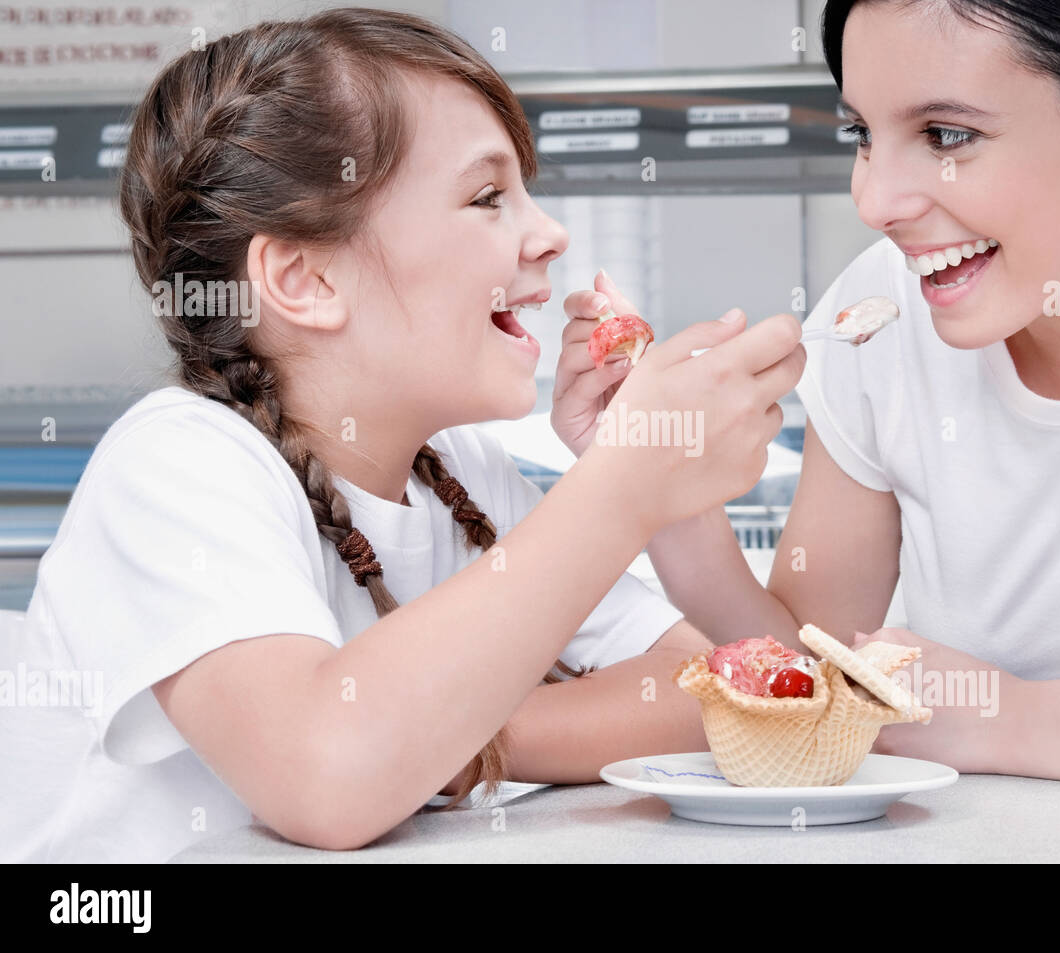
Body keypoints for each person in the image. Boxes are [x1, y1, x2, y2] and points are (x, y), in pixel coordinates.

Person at [0, 7, 804, 862]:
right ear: (304, 278)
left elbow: (706, 697)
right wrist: (623, 486)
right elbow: (329, 776)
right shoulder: (175, 464)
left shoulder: (463, 478)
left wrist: (459, 725)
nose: (551, 233)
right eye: (488, 195)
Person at [558, 0, 1060, 801]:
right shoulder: (879, 316)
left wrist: (1009, 717)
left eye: (947, 136)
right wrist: (662, 489)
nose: (875, 201)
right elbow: (823, 677)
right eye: (863, 135)